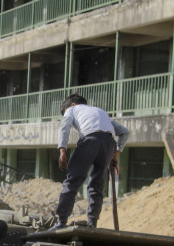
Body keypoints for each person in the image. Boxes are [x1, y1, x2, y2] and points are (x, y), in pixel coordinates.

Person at [54, 94, 130, 229]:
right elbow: (124, 132)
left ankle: (61, 222)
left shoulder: (72, 109)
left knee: (72, 181)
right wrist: (115, 155)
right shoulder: (100, 112)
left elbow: (64, 127)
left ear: (72, 105)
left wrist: (62, 150)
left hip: (90, 139)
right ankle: (92, 223)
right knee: (97, 185)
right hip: (109, 143)